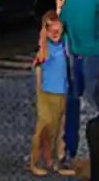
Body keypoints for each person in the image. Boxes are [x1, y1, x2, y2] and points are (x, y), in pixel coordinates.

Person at [34, 0, 99, 176]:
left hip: (94, 53)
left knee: (94, 102)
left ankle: (97, 150)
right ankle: (70, 153)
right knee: (72, 104)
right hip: (71, 55)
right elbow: (53, 25)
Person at [30, 11, 70, 177]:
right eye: (52, 31)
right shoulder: (44, 49)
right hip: (47, 93)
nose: (56, 34)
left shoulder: (64, 44)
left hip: (62, 92)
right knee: (44, 127)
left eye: (58, 31)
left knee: (58, 129)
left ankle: (53, 161)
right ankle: (34, 161)